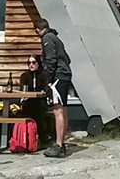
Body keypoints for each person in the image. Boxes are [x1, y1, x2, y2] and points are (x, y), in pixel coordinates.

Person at [36, 18, 72, 158]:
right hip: (64, 75)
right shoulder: (56, 38)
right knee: (63, 109)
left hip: (57, 76)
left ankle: (58, 145)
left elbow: (51, 60)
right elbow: (67, 59)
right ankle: (62, 143)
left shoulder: (47, 39)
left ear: (37, 30)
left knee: (57, 110)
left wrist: (48, 81)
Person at [19, 54, 49, 142]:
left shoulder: (43, 75)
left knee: (38, 109)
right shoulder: (24, 75)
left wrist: (44, 91)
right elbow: (22, 90)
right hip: (28, 100)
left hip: (40, 101)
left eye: (33, 62)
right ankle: (27, 136)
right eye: (29, 63)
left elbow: (46, 88)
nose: (31, 65)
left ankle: (41, 136)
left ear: (38, 63)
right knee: (26, 108)